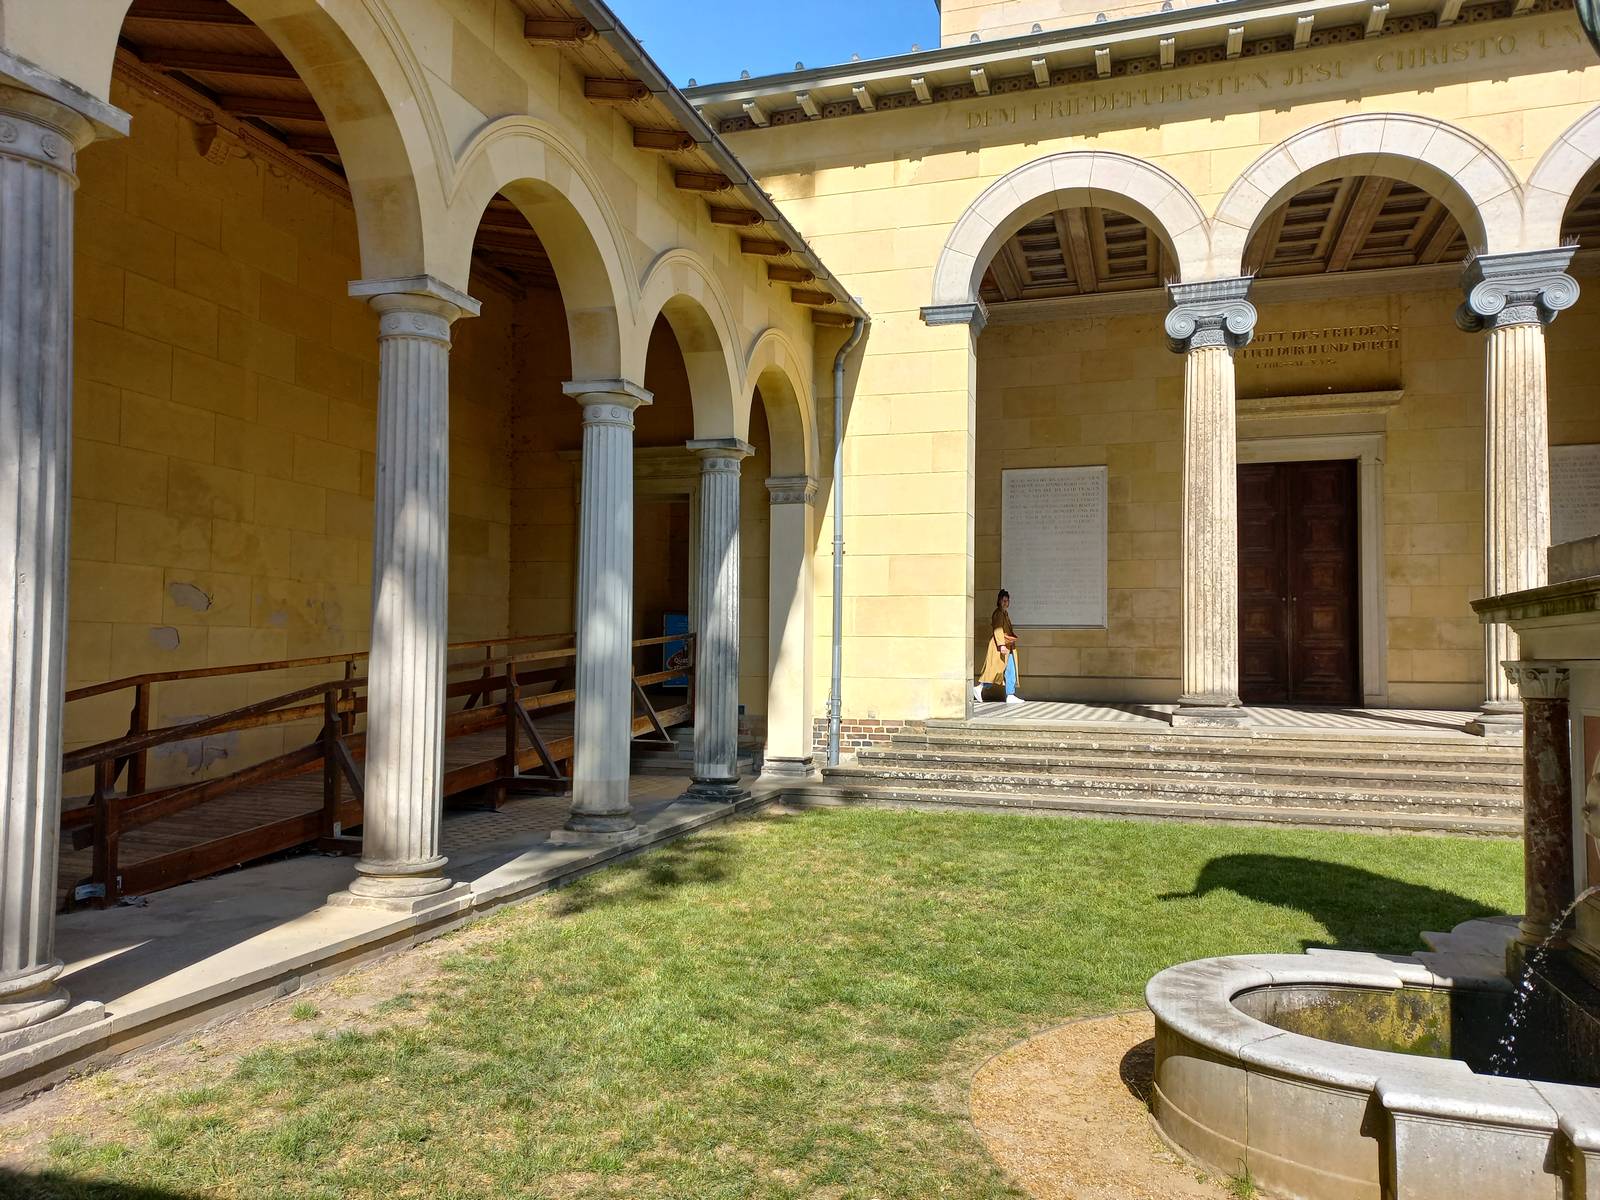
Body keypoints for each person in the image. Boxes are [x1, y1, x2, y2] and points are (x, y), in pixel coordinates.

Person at [973, 588, 1025, 705]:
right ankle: (980, 687)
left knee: (1009, 669)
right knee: (995, 670)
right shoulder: (999, 613)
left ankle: (1010, 694)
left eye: (1007, 601)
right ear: (999, 601)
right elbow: (998, 630)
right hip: (1000, 646)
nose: (1006, 603)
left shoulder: (1004, 613)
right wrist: (1001, 645)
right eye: (1003, 601)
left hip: (1007, 646)